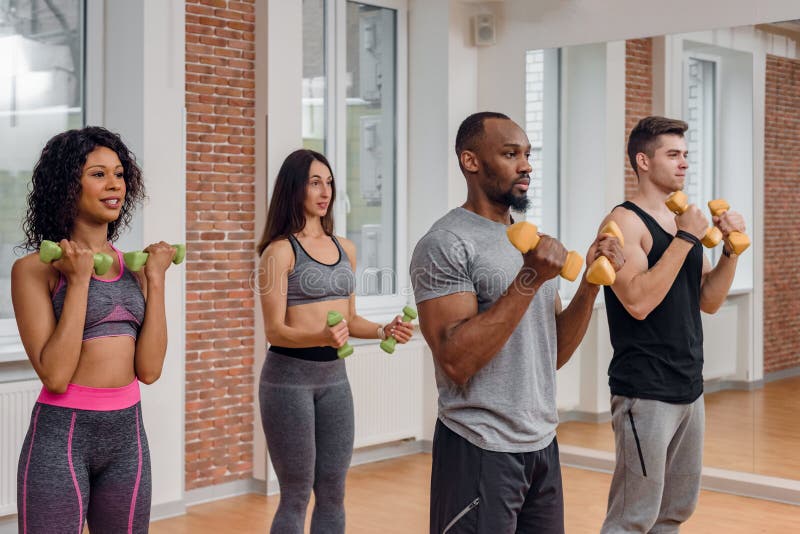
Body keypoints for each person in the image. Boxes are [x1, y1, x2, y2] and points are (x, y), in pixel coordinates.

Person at [410, 111, 624, 533]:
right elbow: (455, 360)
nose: (526, 165)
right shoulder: (446, 243)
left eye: (527, 154)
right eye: (511, 154)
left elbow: (552, 353)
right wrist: (529, 278)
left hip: (541, 443)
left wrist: (590, 284)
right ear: (470, 161)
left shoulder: (529, 242)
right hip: (478, 445)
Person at [11, 126, 178, 533]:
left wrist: (156, 281)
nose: (114, 185)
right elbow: (54, 375)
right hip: (62, 437)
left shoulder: (134, 269)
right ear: (69, 185)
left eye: (119, 174)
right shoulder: (34, 270)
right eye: (98, 173)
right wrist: (80, 281)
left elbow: (150, 371)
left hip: (128, 437)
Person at [598, 116, 747, 533]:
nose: (684, 163)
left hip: (688, 385)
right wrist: (686, 239)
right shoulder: (625, 223)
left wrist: (731, 253)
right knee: (632, 518)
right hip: (644, 390)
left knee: (673, 512)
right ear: (643, 161)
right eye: (673, 154)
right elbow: (639, 302)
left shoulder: (681, 222)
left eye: (686, 155)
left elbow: (708, 302)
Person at [254, 148, 414, 534]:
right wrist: (321, 335)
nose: (324, 191)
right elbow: (274, 330)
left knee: (332, 491)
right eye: (314, 182)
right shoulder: (278, 253)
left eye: (328, 182)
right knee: (295, 493)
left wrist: (382, 330)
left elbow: (352, 318)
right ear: (295, 188)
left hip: (334, 381)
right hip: (287, 382)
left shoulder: (346, 249)